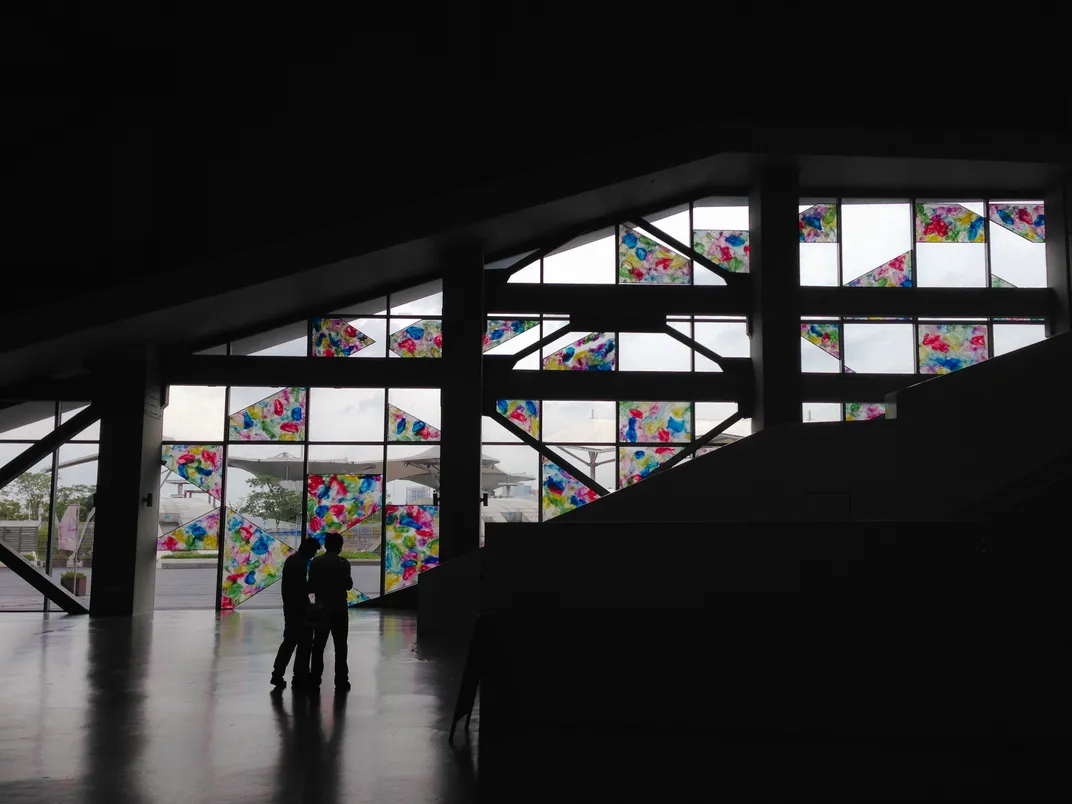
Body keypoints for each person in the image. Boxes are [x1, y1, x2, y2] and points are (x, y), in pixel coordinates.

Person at [271, 537, 321, 689]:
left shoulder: (291, 560)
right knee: (304, 643)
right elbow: (303, 588)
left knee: (289, 641)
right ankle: (299, 676)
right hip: (300, 608)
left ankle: (278, 673)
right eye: (313, 551)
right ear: (308, 549)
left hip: (290, 607)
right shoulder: (300, 564)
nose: (313, 555)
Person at [308, 532, 353, 692]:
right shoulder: (344, 563)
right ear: (340, 546)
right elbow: (348, 585)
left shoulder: (316, 562)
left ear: (326, 545)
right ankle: (341, 680)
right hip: (340, 609)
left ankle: (315, 680)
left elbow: (311, 587)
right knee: (340, 647)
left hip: (321, 609)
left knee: (318, 646)